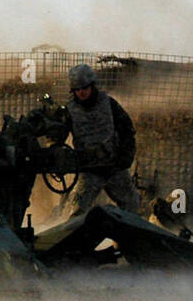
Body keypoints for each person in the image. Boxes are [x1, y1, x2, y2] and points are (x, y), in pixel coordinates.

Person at [61, 63, 142, 218]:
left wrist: (125, 158)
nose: (81, 92)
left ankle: (126, 242)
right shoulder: (69, 111)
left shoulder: (109, 104)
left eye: (84, 88)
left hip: (114, 168)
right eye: (77, 89)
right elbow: (59, 136)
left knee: (132, 207)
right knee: (76, 213)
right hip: (90, 171)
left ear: (92, 85)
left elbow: (127, 130)